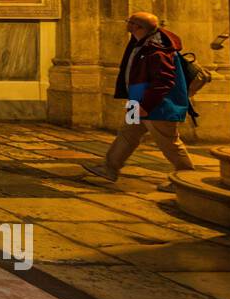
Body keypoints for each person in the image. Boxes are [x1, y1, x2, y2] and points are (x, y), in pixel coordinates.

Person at [83, 12, 195, 181]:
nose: (127, 23)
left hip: (155, 106)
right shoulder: (140, 43)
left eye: (130, 21)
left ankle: (187, 178)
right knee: (128, 134)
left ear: (138, 27)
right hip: (137, 102)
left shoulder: (157, 50)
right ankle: (109, 168)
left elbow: (164, 81)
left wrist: (146, 106)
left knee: (169, 143)